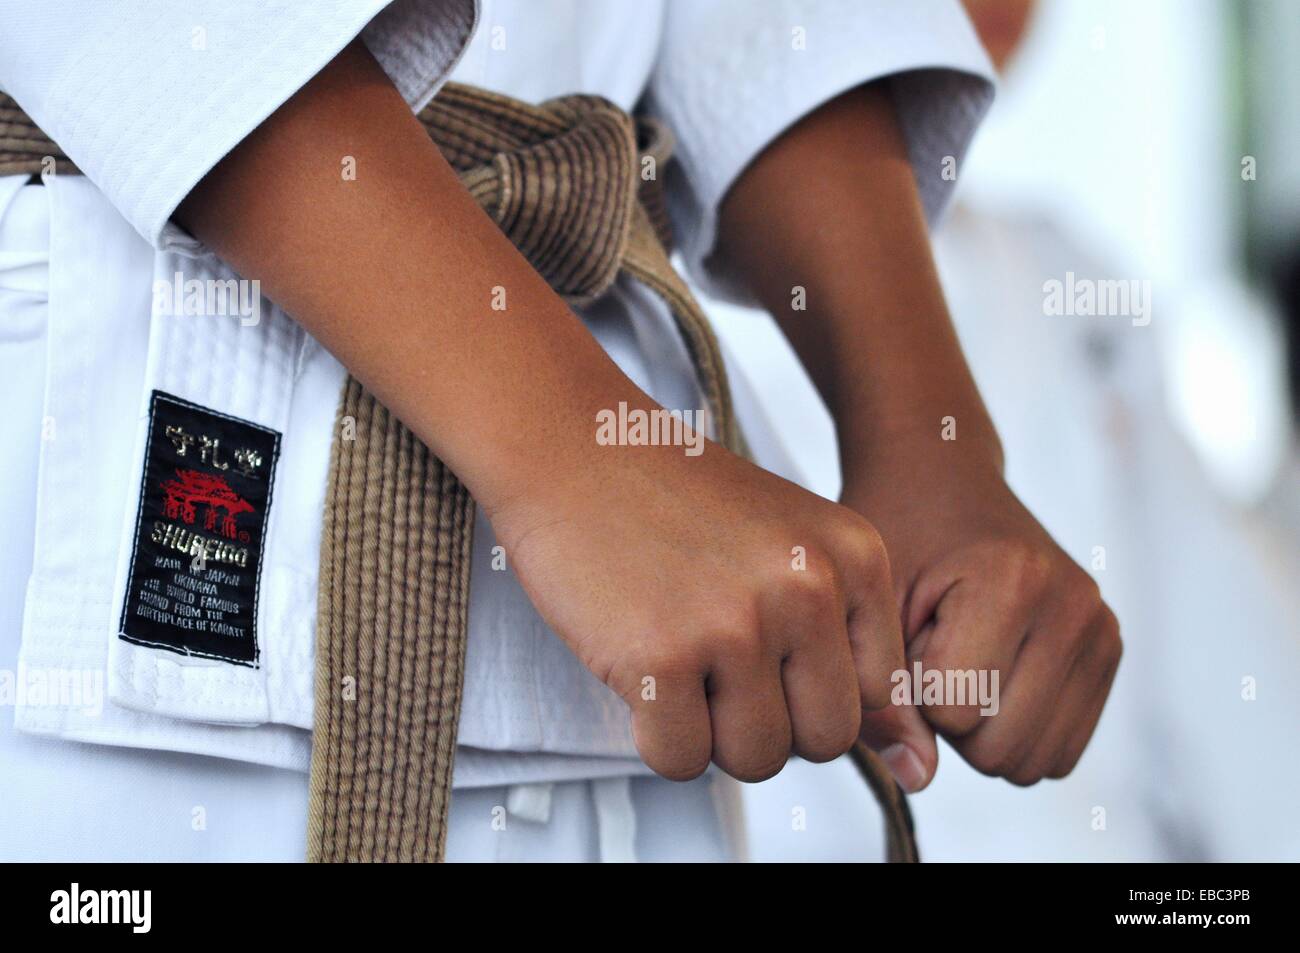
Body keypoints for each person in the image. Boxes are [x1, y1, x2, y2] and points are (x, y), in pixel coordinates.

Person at [0, 0, 1119, 862]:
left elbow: (774, 28)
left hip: (635, 617)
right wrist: (569, 451)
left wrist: (927, 442)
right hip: (117, 486)